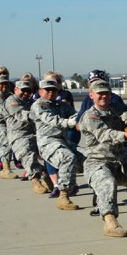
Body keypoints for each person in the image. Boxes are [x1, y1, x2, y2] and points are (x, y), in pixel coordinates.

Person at [78, 79, 127, 238]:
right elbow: (105, 134)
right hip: (98, 162)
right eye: (99, 93)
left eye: (106, 93)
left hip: (120, 163)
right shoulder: (90, 116)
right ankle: (110, 221)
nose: (103, 96)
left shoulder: (116, 108)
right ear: (92, 95)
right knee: (107, 182)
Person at [30, 77, 83, 210]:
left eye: (53, 90)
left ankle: (98, 195)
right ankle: (63, 196)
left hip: (64, 141)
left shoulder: (61, 105)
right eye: (47, 90)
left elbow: (77, 115)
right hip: (47, 142)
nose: (51, 92)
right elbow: (51, 119)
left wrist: (79, 118)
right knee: (67, 158)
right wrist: (68, 122)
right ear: (40, 91)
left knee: (92, 158)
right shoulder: (39, 105)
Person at [3, 77, 51, 193]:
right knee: (28, 154)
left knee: (49, 150)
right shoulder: (12, 101)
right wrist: (39, 115)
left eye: (28, 91)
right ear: (16, 90)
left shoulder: (31, 102)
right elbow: (21, 114)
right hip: (19, 135)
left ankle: (47, 176)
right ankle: (35, 181)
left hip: (34, 133)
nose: (25, 93)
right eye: (23, 90)